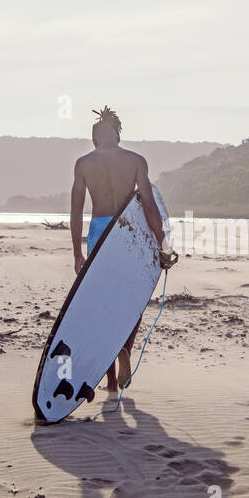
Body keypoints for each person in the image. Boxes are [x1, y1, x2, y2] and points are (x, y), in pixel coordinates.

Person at [70, 106, 166, 396]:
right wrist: (162, 243)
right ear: (118, 136)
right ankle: (125, 348)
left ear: (95, 138)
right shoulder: (136, 161)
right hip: (128, 231)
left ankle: (111, 381)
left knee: (102, 304)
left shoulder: (84, 164)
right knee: (132, 300)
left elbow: (76, 212)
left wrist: (77, 253)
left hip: (100, 231)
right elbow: (149, 205)